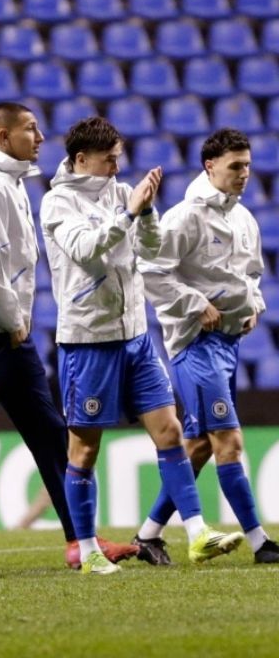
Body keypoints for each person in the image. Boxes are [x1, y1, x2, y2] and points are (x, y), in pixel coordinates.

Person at [0, 103, 137, 577]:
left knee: (48, 430)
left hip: (8, 333)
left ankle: (78, 538)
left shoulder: (10, 180)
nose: (40, 136)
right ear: (3, 136)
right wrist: (12, 317)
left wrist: (15, 322)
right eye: (30, 129)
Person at [41, 116, 245, 573]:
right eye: (110, 158)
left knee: (171, 432)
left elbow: (151, 251)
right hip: (88, 341)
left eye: (119, 157)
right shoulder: (57, 203)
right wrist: (130, 211)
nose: (117, 165)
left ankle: (197, 534)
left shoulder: (121, 192)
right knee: (85, 450)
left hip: (135, 336)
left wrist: (147, 212)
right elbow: (87, 248)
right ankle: (89, 551)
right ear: (81, 159)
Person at [135, 128, 279, 565]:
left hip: (229, 344)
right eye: (236, 166)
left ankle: (148, 536)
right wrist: (194, 303)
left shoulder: (243, 218)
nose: (244, 174)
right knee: (228, 441)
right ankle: (261, 543)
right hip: (195, 346)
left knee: (197, 447)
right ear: (210, 166)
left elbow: (251, 274)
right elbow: (152, 271)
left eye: (248, 166)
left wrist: (254, 304)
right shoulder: (184, 217)